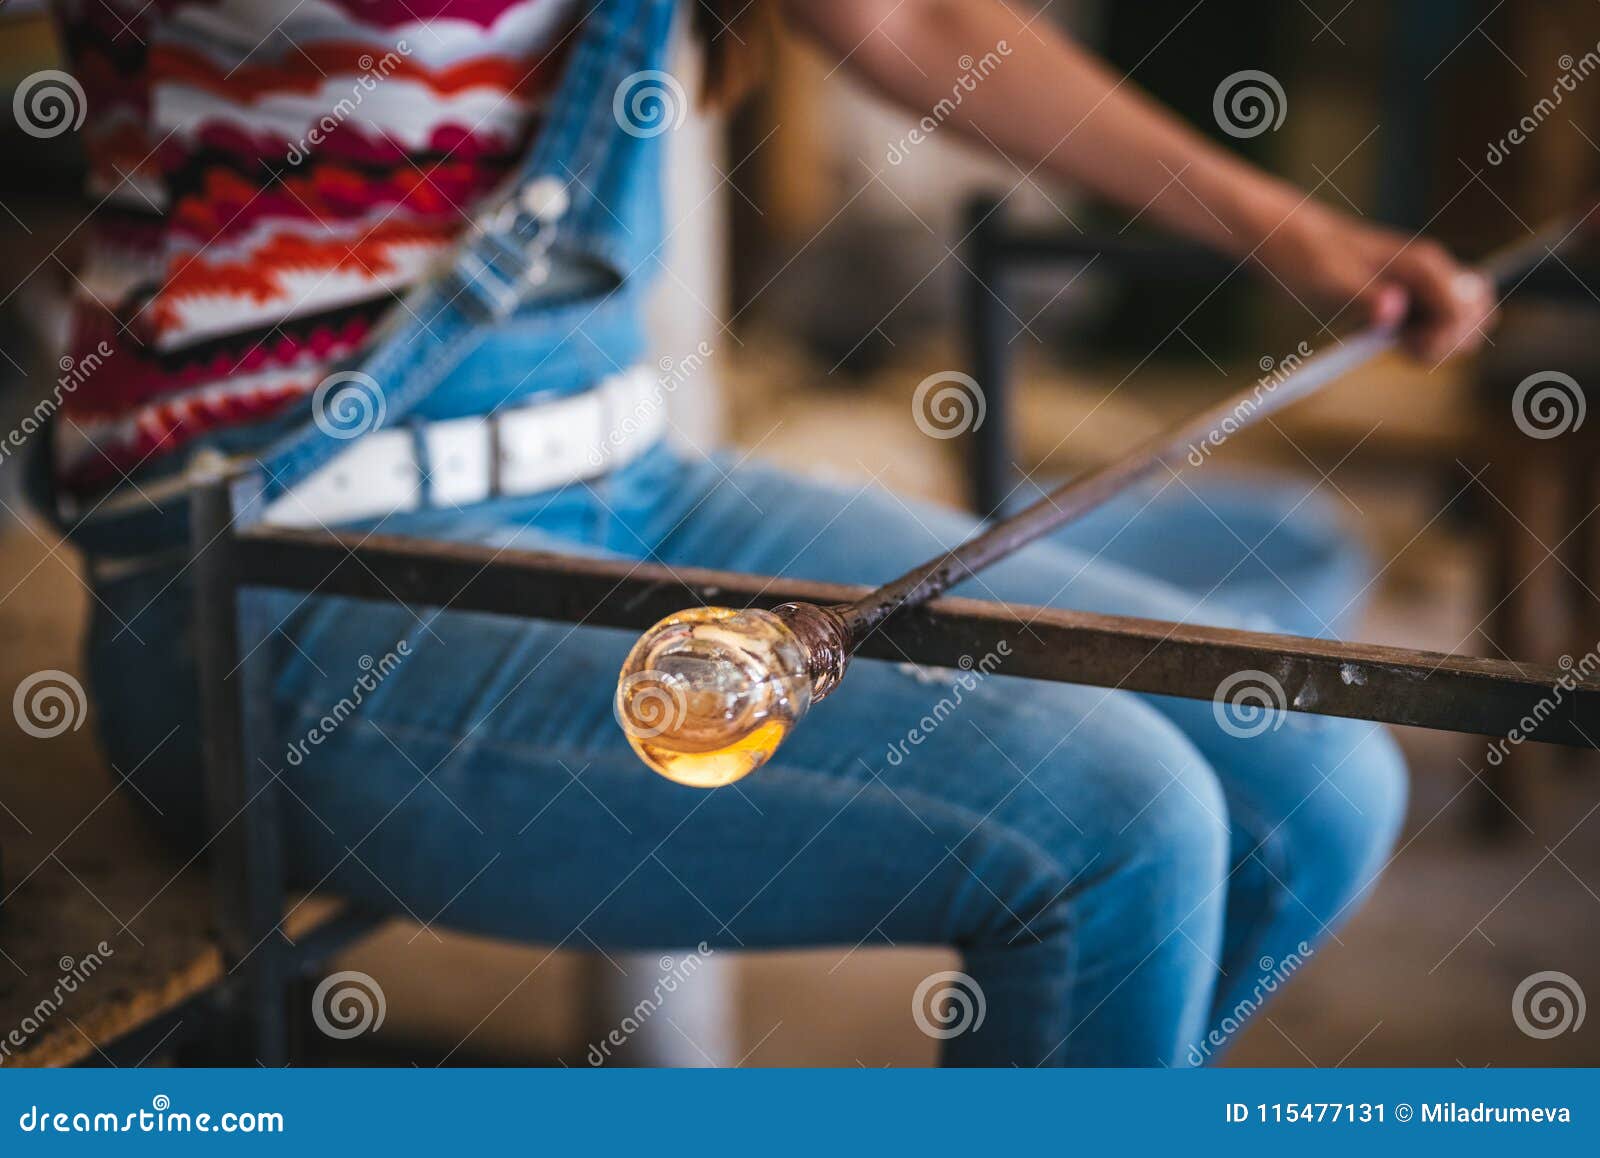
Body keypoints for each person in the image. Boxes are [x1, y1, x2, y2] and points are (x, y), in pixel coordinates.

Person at [44, 0, 1497, 1066]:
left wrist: (1293, 235)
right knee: (1119, 827)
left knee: (1312, 775)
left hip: (615, 476)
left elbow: (914, 17)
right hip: (283, 571)